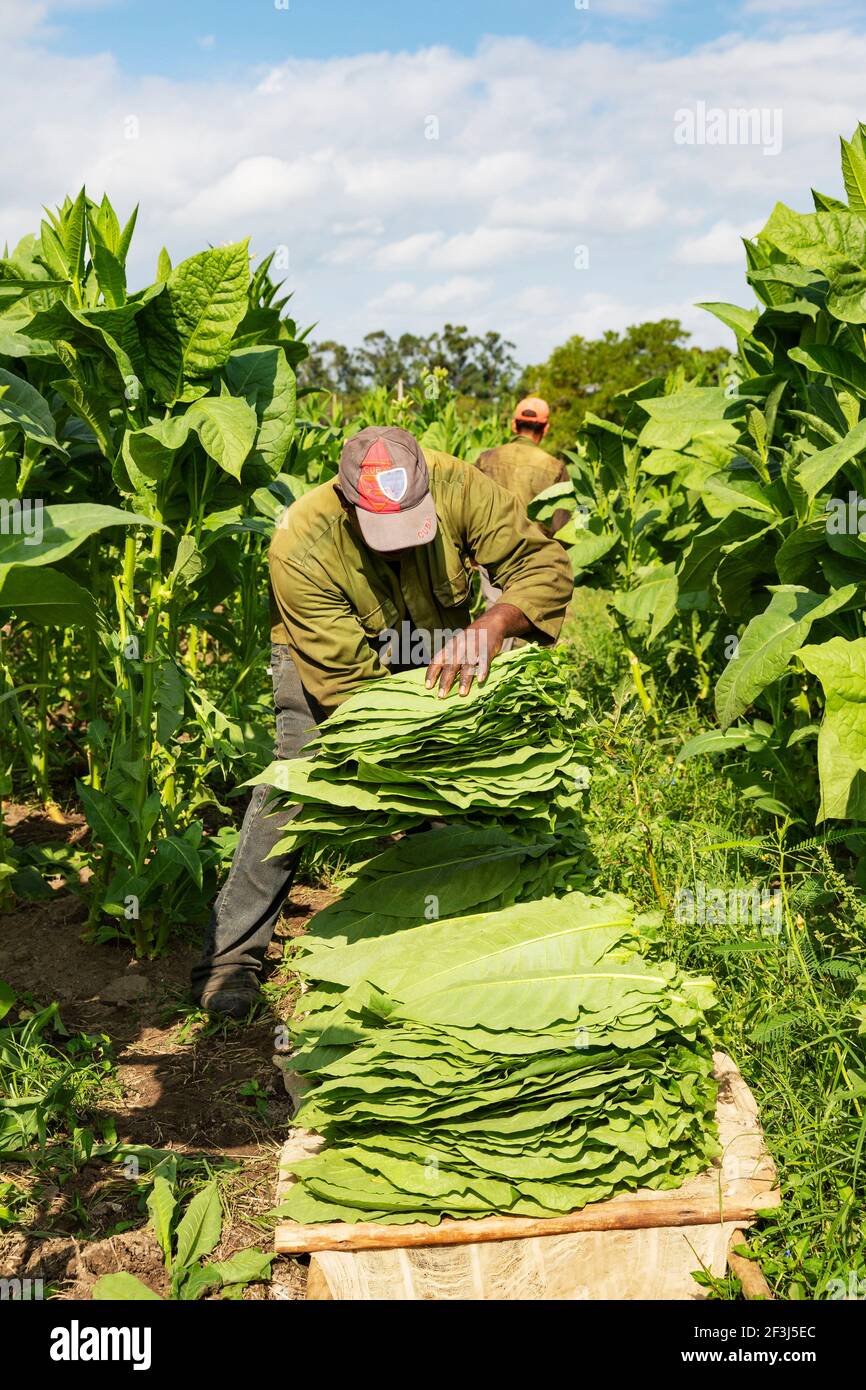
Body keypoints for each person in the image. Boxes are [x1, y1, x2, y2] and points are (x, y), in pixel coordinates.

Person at [191, 425, 573, 1018]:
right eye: (381, 535)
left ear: (425, 485)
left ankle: (451, 923)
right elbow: (349, 688)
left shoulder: (459, 484)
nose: (396, 547)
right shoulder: (301, 543)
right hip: (324, 657)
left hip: (434, 637)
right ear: (348, 504)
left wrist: (493, 624)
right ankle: (231, 961)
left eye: (409, 529)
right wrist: (416, 741)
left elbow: (542, 562)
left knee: (464, 773)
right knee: (301, 776)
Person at [476, 396, 572, 538]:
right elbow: (563, 527)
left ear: (514, 425)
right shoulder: (555, 467)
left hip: (489, 554)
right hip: (536, 556)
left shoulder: (485, 459)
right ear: (545, 429)